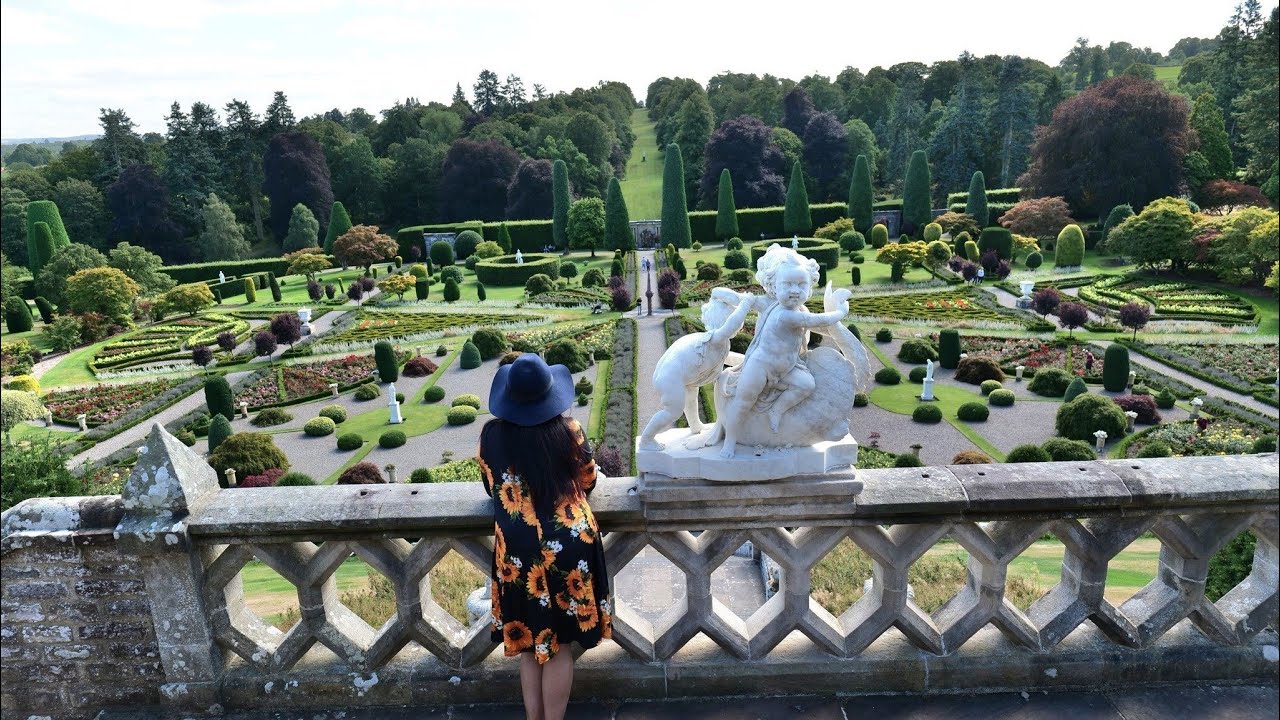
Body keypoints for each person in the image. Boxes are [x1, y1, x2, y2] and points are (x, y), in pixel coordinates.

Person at [478, 354, 612, 720]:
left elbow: (492, 487)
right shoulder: (568, 431)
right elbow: (588, 480)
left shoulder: (490, 436)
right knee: (560, 645)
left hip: (517, 552)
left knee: (529, 645)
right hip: (569, 546)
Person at [717, 246, 850, 457]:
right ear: (773, 286)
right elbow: (815, 321)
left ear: (810, 286)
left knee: (807, 384)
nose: (795, 290)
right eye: (787, 285)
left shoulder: (799, 310)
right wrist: (840, 312)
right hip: (762, 365)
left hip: (787, 368)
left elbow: (812, 322)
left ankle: (777, 410)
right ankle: (730, 441)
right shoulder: (785, 314)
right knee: (743, 402)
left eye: (801, 284)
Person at [638, 287, 755, 450]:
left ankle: (695, 426)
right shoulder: (717, 337)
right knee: (673, 411)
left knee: (691, 396)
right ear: (725, 321)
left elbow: (728, 357)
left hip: (685, 375)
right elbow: (730, 326)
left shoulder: (720, 343)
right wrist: (745, 304)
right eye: (736, 323)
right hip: (671, 376)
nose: (739, 327)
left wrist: (750, 360)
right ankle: (647, 439)